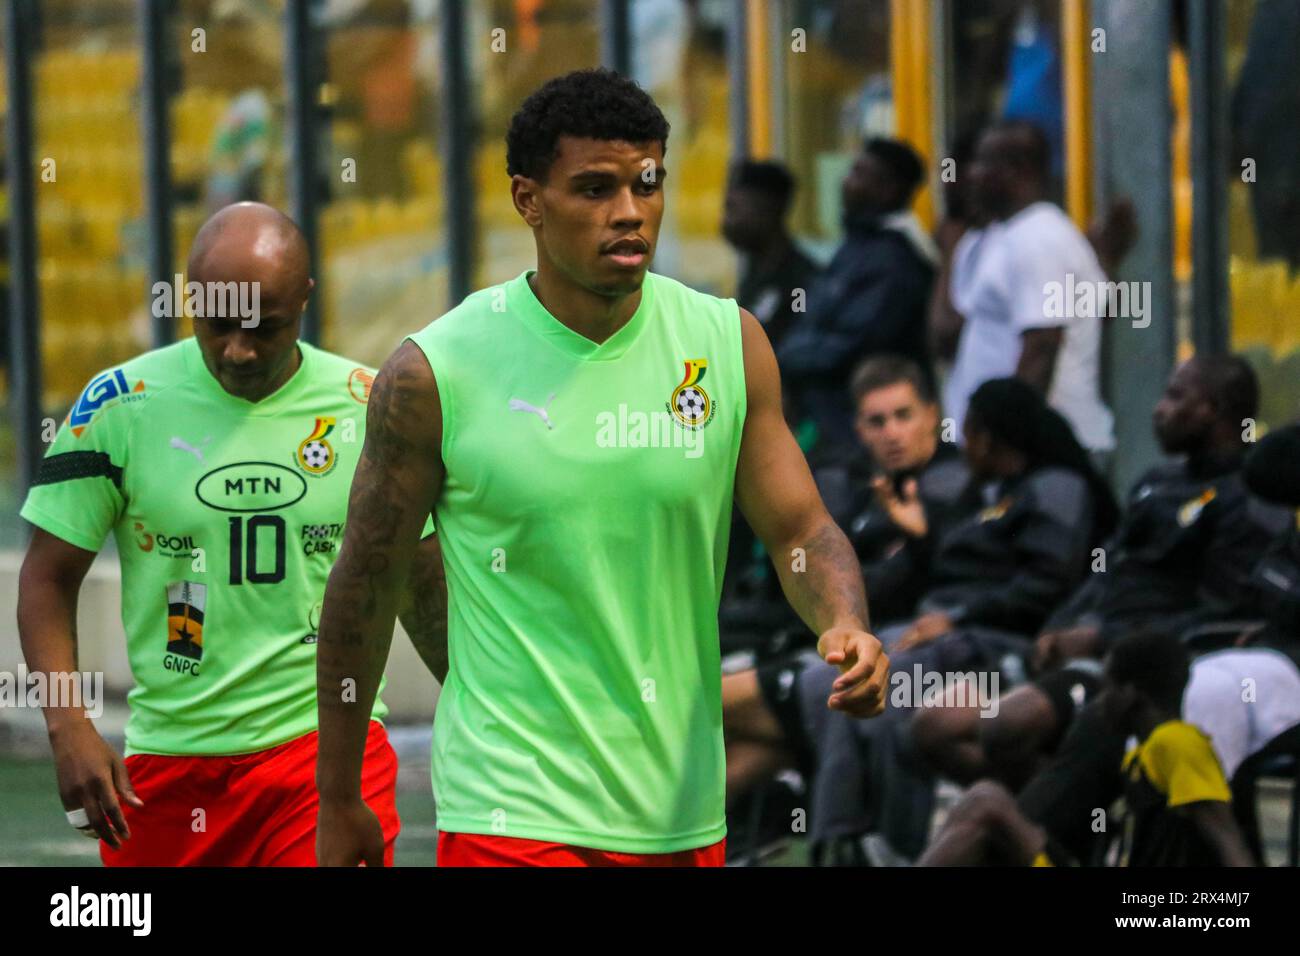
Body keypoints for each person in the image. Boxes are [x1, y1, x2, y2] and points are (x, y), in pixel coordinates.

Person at [313, 67, 888, 868]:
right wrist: (337, 797)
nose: (629, 212)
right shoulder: (434, 373)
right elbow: (367, 582)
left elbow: (801, 529)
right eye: (594, 189)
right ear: (528, 200)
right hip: (510, 812)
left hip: (679, 815)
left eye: (647, 184)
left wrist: (845, 622)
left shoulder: (727, 345)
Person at [16, 203, 446, 866]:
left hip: (324, 761)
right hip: (166, 770)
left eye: (264, 328)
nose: (239, 349)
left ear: (305, 299)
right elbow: (48, 576)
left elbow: (424, 587)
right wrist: (68, 723)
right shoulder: (118, 405)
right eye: (217, 326)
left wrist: (485, 713)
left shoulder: (370, 407)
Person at [723, 375, 1117, 861]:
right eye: (876, 420)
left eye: (968, 431)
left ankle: (887, 842)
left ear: (990, 437)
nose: (962, 442)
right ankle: (840, 837)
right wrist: (921, 539)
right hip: (926, 635)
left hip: (990, 644)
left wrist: (957, 617)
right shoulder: (985, 496)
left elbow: (1045, 586)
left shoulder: (1055, 487)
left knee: (867, 687)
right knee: (847, 682)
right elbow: (945, 570)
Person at [919, 630, 1255, 867]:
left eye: (1107, 689)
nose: (1099, 702)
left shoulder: (1179, 743)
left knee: (987, 802)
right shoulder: (1143, 751)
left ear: (1129, 694)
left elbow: (1225, 836)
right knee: (985, 802)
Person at [940, 120, 1115, 456]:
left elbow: (1042, 347)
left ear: (1016, 169)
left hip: (1039, 452)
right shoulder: (1003, 235)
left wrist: (1007, 445)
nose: (970, 175)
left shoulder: (1039, 238)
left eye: (981, 162)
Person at [777, 137, 938, 463]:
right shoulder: (856, 247)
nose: (847, 183)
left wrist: (788, 357)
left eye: (861, 174)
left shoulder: (894, 258)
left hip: (859, 430)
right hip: (826, 423)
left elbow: (858, 342)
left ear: (889, 188)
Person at [721, 159, 820, 355]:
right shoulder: (755, 271)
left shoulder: (800, 281)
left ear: (767, 208)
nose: (726, 221)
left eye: (734, 209)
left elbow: (799, 344)